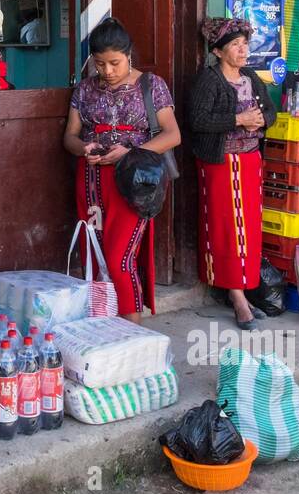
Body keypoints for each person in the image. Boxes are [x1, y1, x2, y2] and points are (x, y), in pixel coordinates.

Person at [64, 18, 182, 321]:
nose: (108, 71)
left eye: (115, 63)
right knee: (95, 256)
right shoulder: (85, 89)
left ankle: (133, 334)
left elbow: (172, 135)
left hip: (134, 182)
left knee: (119, 258)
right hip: (91, 180)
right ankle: (104, 328)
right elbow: (70, 136)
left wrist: (130, 152)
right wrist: (84, 148)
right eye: (101, 64)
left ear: (129, 54)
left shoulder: (152, 86)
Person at [188, 18, 277, 328]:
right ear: (218, 51)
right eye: (235, 46)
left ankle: (246, 287)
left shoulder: (251, 76)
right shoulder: (209, 80)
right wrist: (238, 119)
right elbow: (197, 120)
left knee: (249, 230)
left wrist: (260, 120)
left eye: (245, 44)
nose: (243, 50)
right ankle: (236, 296)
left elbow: (271, 112)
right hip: (221, 164)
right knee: (227, 230)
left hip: (250, 162)